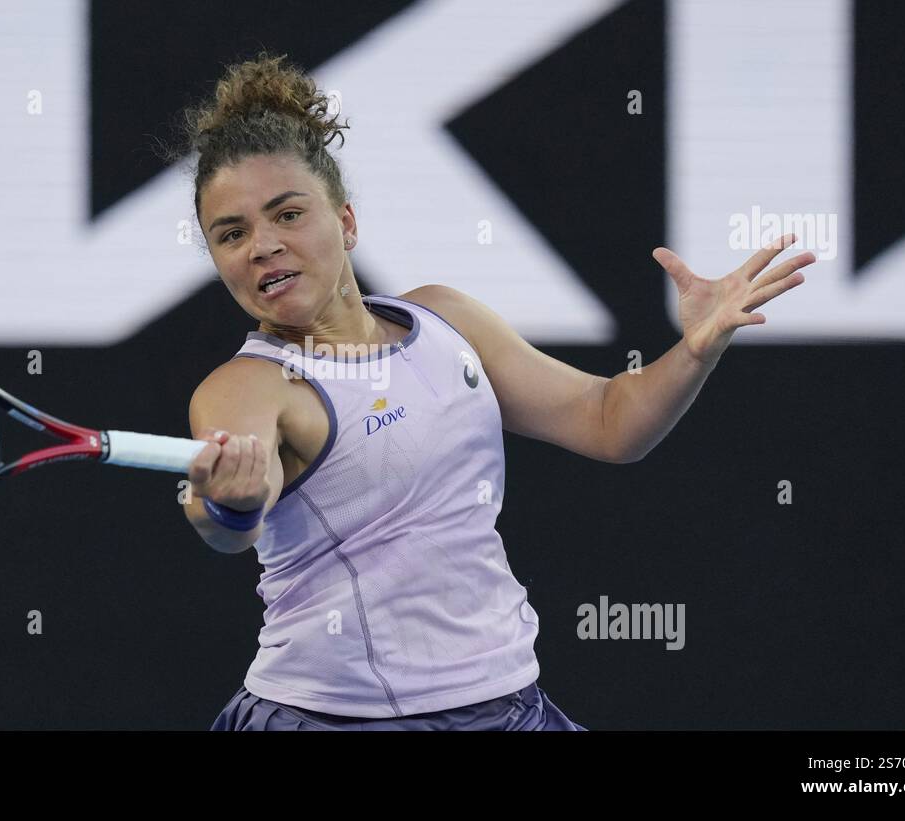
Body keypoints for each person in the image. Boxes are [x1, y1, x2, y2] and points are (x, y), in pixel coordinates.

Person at [168, 52, 812, 730]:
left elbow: (610, 420)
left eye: (287, 214)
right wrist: (230, 503)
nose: (262, 245)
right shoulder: (245, 387)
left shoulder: (446, 319)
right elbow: (227, 517)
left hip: (507, 707)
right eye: (231, 234)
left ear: (347, 222)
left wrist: (694, 351)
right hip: (334, 718)